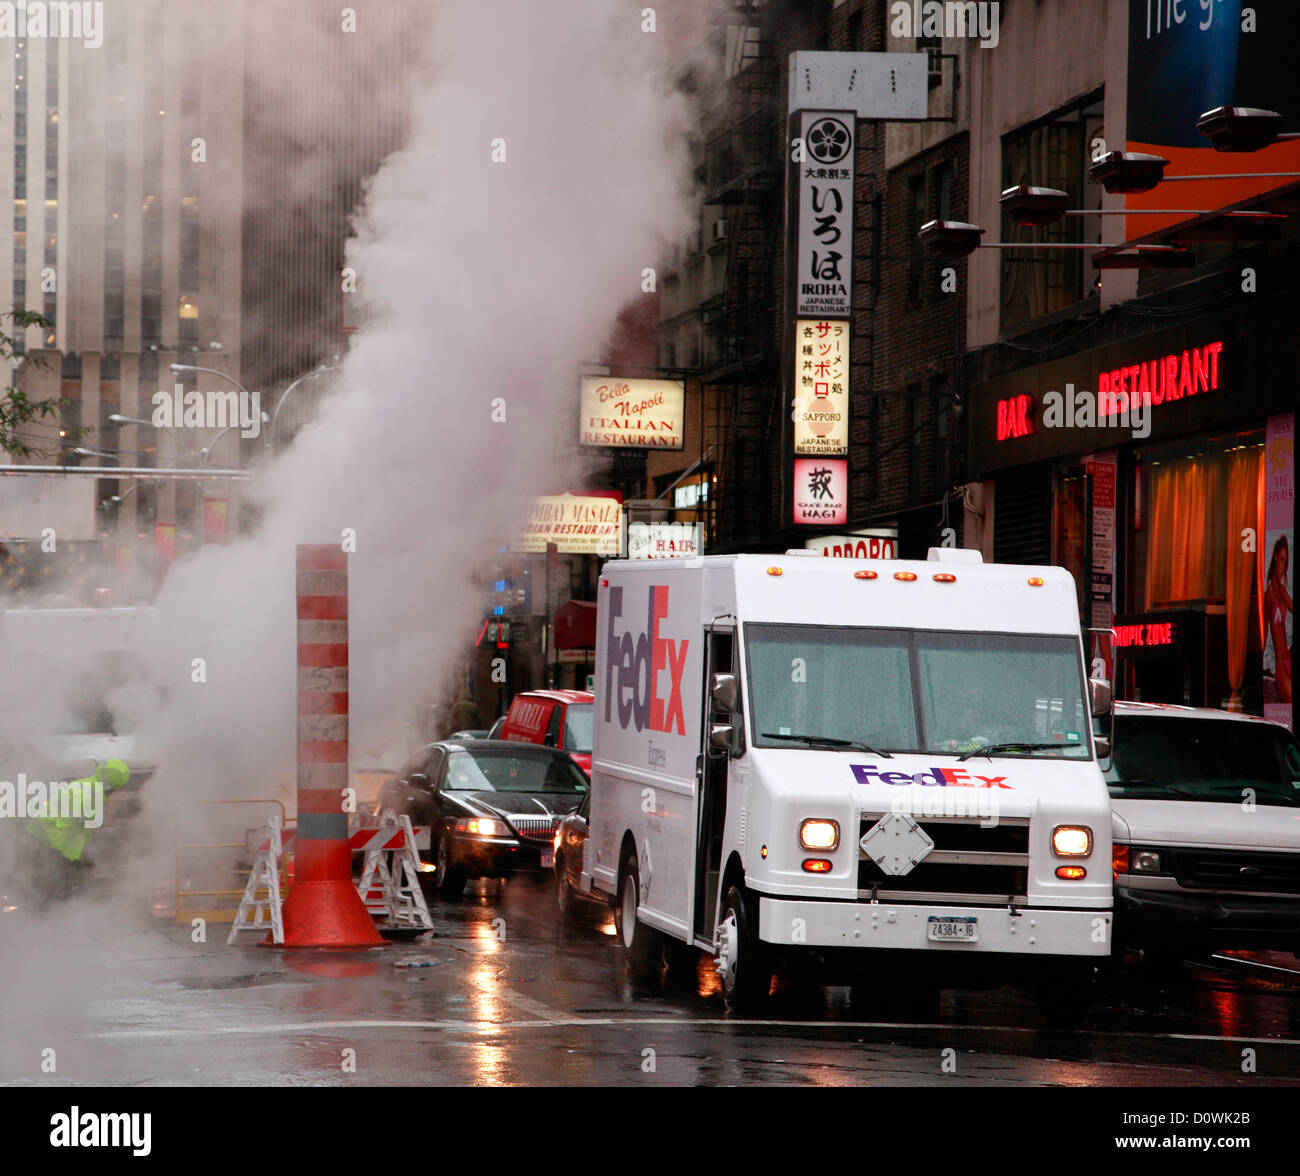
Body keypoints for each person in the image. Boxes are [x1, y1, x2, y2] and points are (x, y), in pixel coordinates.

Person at [25, 759, 130, 897]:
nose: (116, 791)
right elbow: (64, 824)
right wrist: (57, 854)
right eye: (117, 787)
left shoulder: (94, 789)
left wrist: (82, 853)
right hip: (45, 840)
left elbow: (80, 825)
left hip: (55, 839)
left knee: (66, 880)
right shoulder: (85, 795)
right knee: (52, 887)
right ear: (111, 786)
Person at [1263, 535, 1293, 704]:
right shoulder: (1270, 594)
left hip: (1287, 656)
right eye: (1282, 560)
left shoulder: (1281, 590)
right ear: (1275, 557)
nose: (1283, 567)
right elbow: (1265, 631)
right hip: (1280, 665)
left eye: (1285, 562)